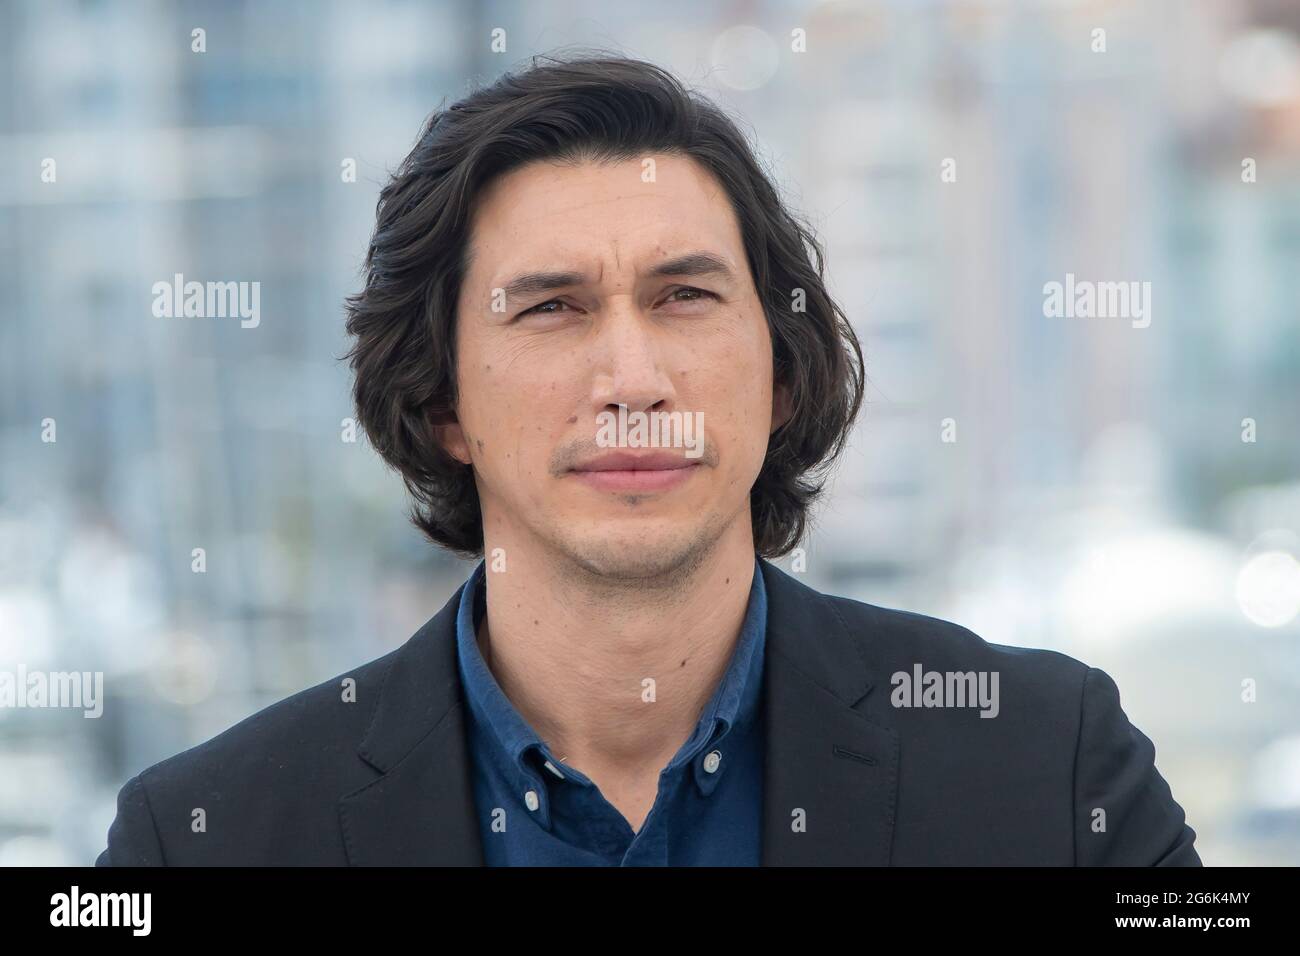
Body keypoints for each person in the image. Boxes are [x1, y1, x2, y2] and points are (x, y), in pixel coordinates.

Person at [97, 53, 1200, 866]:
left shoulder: (1050, 767)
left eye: (684, 297)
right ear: (441, 400)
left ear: (778, 369)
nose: (633, 377)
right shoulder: (205, 837)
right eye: (551, 309)